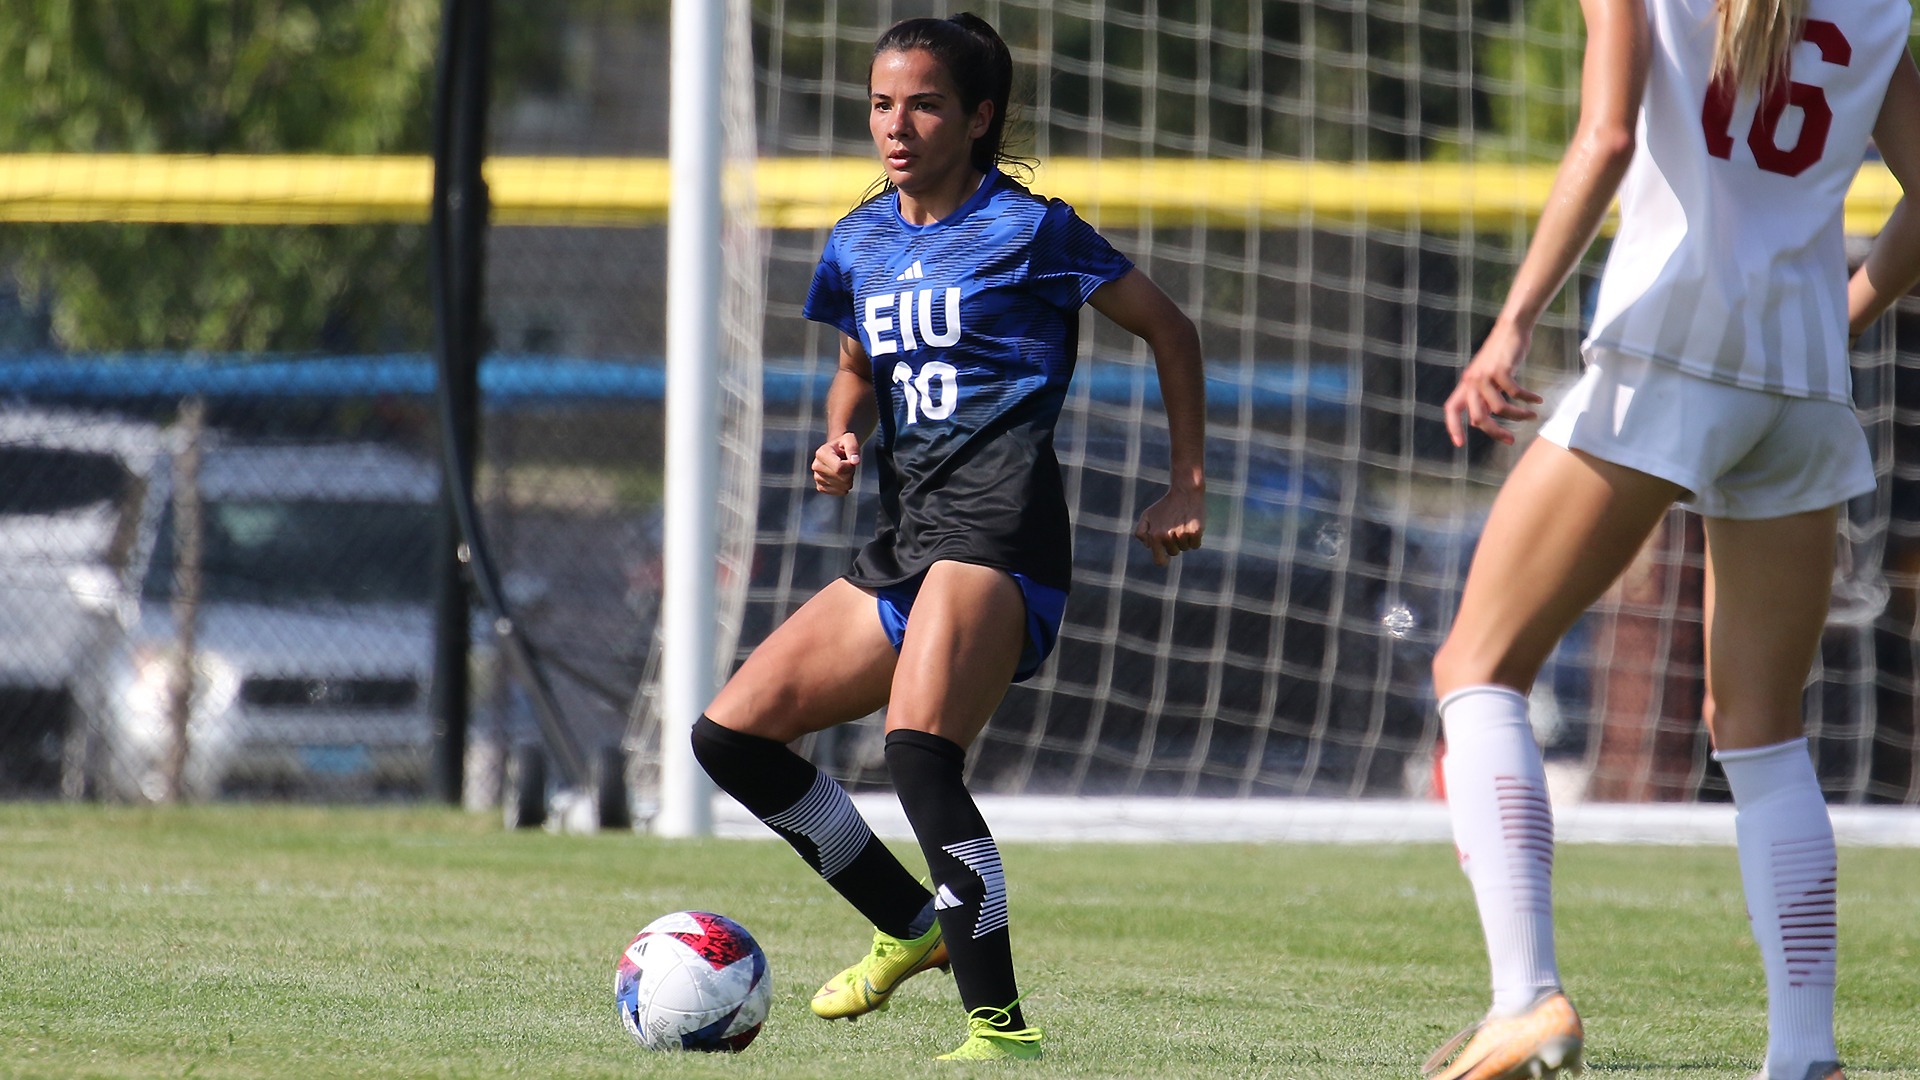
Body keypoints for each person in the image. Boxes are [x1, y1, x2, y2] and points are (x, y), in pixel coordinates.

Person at [688, 12, 1206, 1063]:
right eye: (882, 103)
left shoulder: (1035, 231)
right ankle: (909, 922)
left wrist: (1183, 479)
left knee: (919, 754)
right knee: (728, 738)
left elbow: (1170, 327)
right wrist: (839, 439)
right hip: (907, 537)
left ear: (978, 117)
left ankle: (1000, 1029)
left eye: (924, 103)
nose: (897, 123)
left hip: (1002, 537)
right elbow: (856, 368)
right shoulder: (861, 239)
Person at [1421, 0, 1920, 1073]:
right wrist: (1839, 315)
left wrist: (1509, 325)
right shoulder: (1876, 8)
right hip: (1799, 383)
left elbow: (1604, 137)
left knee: (1477, 666)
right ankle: (1804, 1052)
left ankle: (1527, 996)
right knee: (1763, 737)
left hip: (1668, 354)